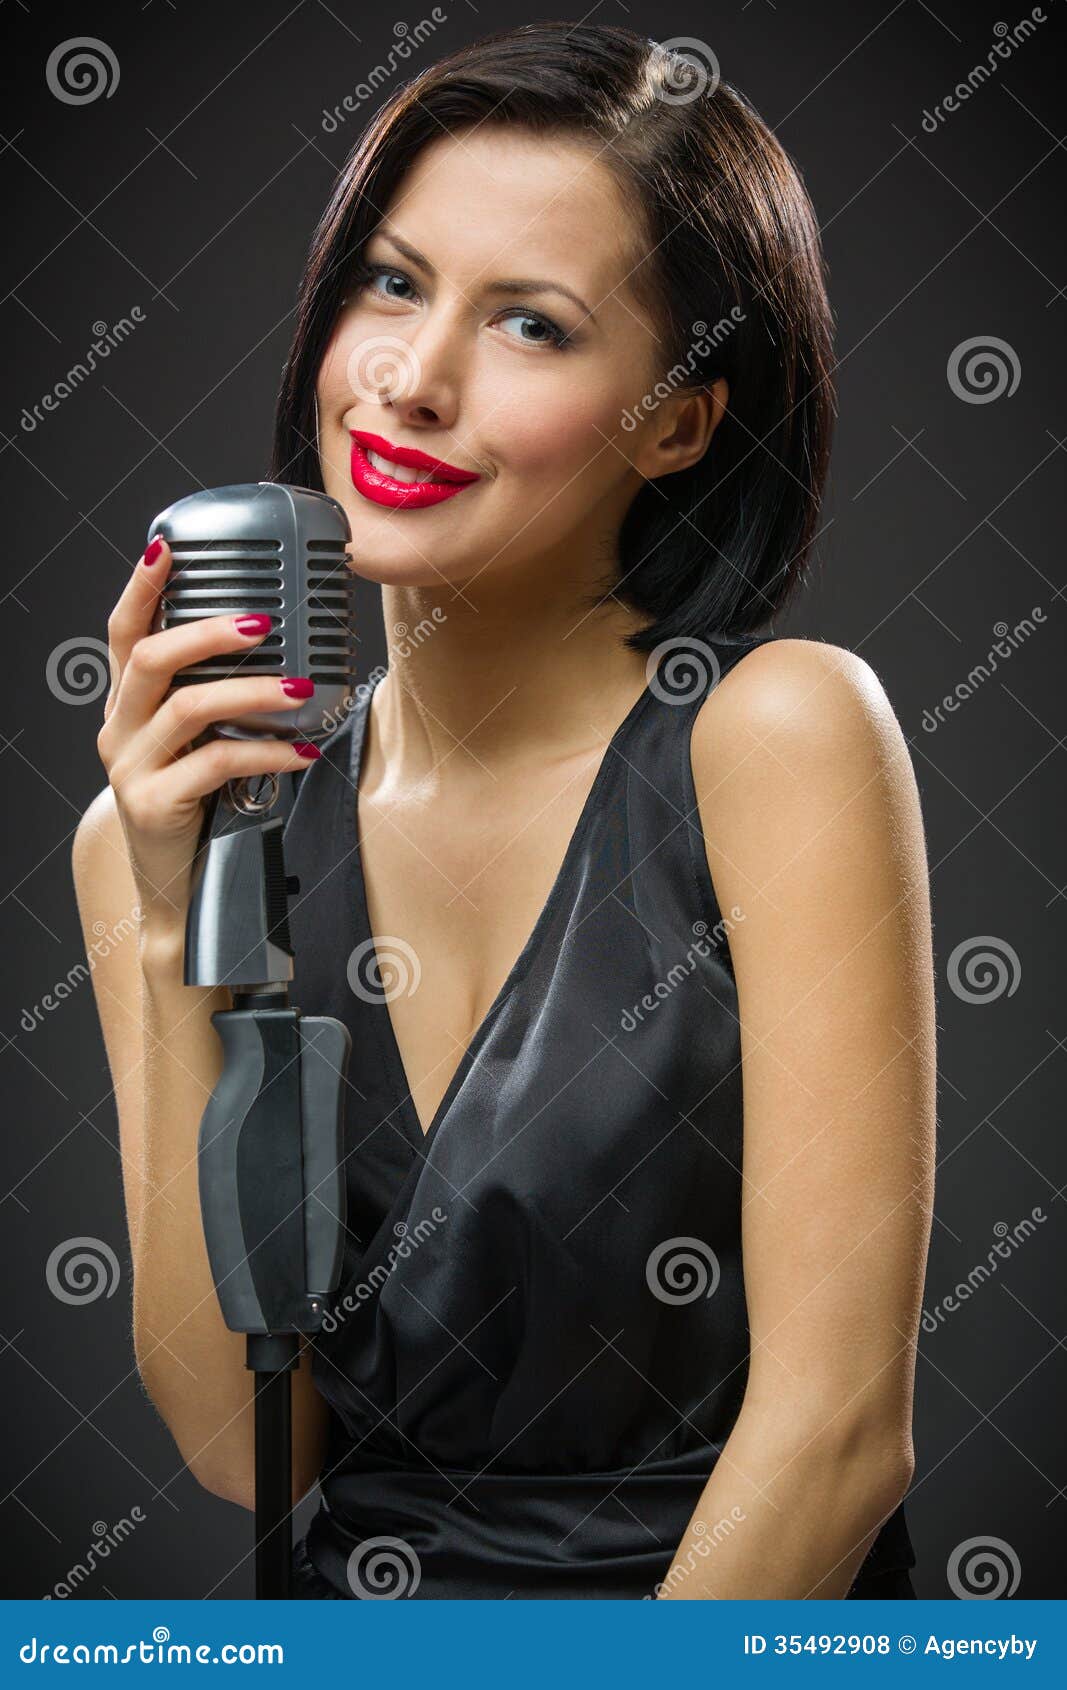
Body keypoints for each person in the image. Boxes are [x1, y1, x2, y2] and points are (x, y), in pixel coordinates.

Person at [72, 22, 935, 1599]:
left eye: (530, 324)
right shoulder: (190, 829)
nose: (412, 377)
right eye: (391, 285)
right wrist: (162, 913)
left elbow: (838, 1434)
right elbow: (246, 1445)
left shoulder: (777, 738)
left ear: (677, 420)